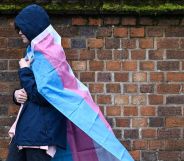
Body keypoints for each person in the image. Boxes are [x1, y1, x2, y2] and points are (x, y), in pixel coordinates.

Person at [6, 4, 67, 161]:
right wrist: (17, 95)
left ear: (33, 27)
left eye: (23, 28)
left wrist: (25, 71)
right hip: (27, 129)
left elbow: (44, 95)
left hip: (40, 133)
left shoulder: (52, 56)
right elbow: (30, 90)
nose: (20, 32)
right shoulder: (34, 53)